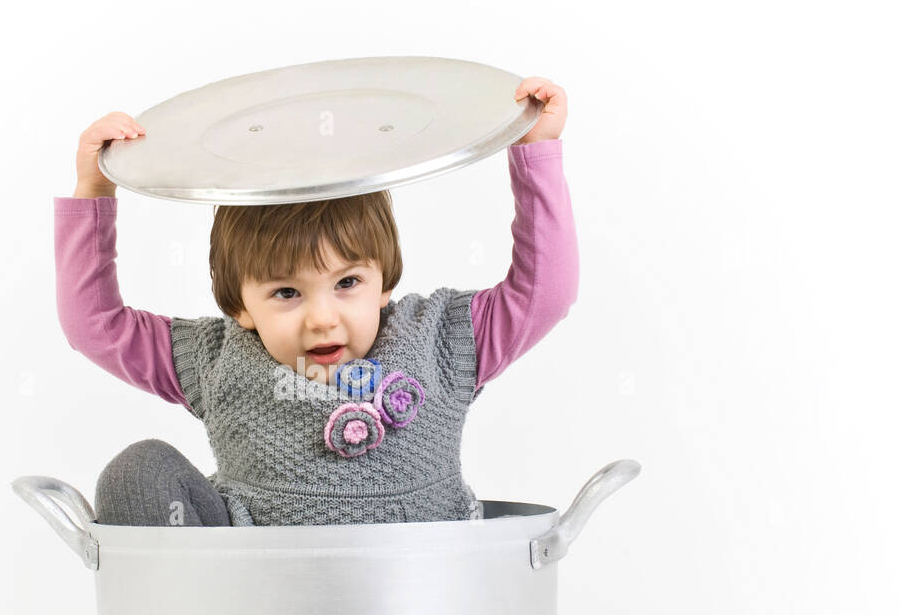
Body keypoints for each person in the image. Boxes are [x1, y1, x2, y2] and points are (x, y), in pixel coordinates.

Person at [54, 76, 578, 526]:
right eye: (286, 293)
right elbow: (94, 326)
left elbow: (544, 293)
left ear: (384, 280)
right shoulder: (214, 360)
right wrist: (94, 189)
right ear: (240, 306)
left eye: (348, 283)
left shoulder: (443, 340)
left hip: (419, 597)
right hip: (254, 603)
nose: (322, 319)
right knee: (137, 472)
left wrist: (534, 152)